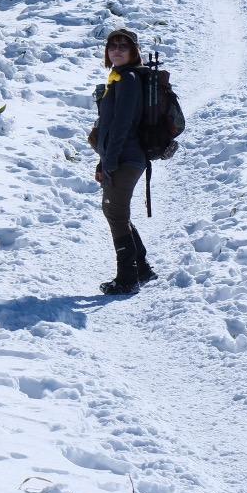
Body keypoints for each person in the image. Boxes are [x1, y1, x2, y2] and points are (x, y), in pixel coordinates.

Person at [91, 28, 157, 295]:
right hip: (121, 156)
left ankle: (127, 278)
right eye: (112, 46)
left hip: (126, 158)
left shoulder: (128, 79)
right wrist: (102, 161)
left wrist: (110, 161)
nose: (116, 50)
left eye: (123, 46)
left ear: (134, 52)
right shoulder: (117, 78)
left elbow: (121, 125)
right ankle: (140, 268)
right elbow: (108, 128)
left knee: (116, 214)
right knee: (116, 212)